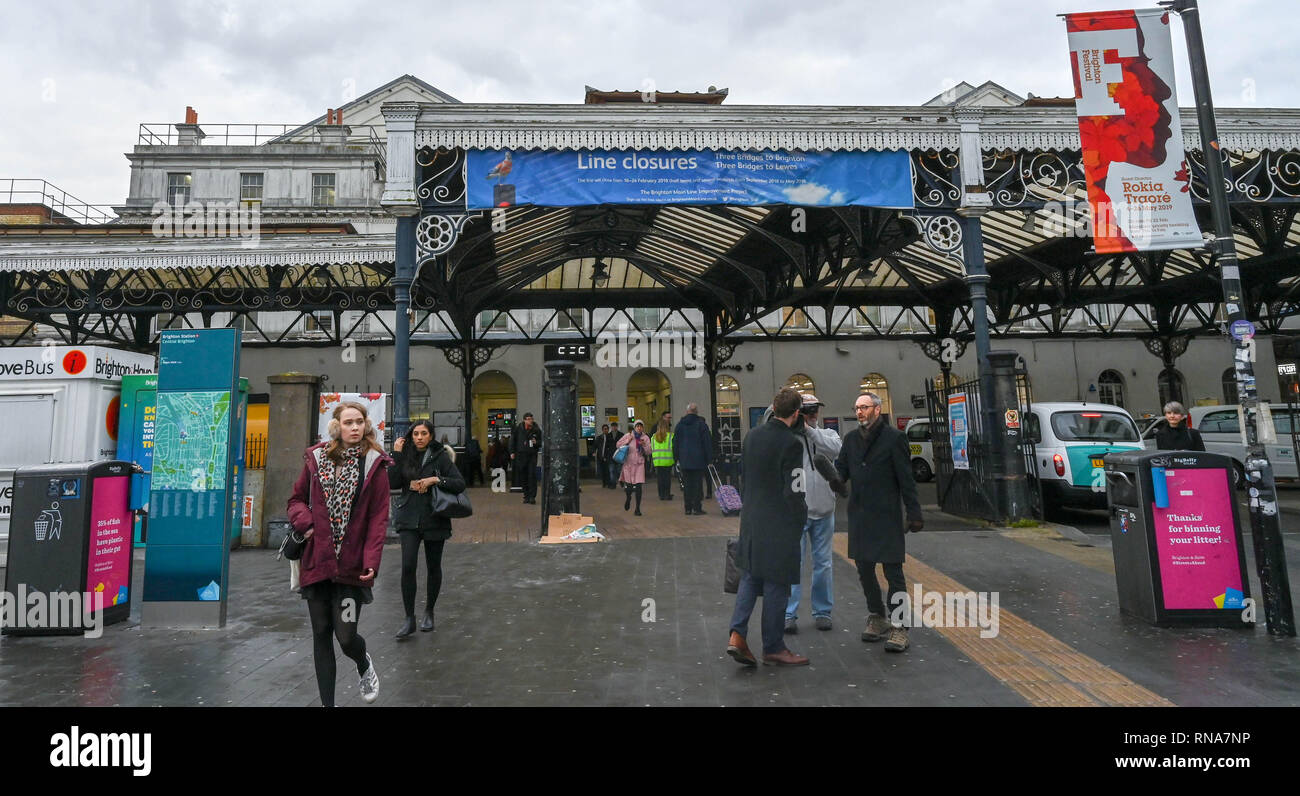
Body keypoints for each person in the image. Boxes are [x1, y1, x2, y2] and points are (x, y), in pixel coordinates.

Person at [287, 401, 392, 706]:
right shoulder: (316, 460)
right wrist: (307, 525)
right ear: (337, 427)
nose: (355, 428)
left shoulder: (374, 466)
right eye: (348, 423)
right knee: (321, 633)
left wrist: (372, 561)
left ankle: (363, 663)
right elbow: (295, 500)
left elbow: (378, 519)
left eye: (359, 422)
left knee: (346, 637)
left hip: (351, 569)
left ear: (366, 425)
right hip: (317, 562)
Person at [726, 388, 810, 667]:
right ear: (796, 413)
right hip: (779, 524)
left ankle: (737, 635)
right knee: (777, 584)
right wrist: (800, 519)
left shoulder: (752, 437)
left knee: (750, 577)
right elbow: (795, 489)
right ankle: (773, 646)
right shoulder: (792, 443)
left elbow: (745, 478)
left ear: (774, 408)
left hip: (751, 520)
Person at [836, 391, 923, 654]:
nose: (859, 412)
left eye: (864, 407)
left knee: (893, 572)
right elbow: (842, 468)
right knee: (864, 569)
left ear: (877, 409)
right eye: (856, 407)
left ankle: (900, 627)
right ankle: (877, 616)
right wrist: (834, 479)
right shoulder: (851, 439)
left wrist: (914, 512)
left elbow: (906, 479)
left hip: (886, 515)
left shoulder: (894, 439)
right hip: (860, 515)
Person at [391, 419, 465, 639]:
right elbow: (392, 483)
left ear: (431, 436)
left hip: (434, 516)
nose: (419, 437)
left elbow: (458, 483)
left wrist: (435, 480)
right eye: (415, 434)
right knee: (407, 566)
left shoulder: (440, 455)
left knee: (433, 566)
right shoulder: (405, 454)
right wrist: (396, 454)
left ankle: (429, 612)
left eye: (424, 433)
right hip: (409, 516)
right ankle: (408, 618)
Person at [784, 393, 843, 634]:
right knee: (793, 564)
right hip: (796, 511)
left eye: (815, 409)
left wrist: (809, 430)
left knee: (824, 564)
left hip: (824, 509)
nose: (812, 414)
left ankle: (822, 611)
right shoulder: (788, 437)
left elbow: (835, 449)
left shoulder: (827, 435)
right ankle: (788, 613)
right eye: (807, 410)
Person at [673, 403, 712, 515]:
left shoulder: (680, 425)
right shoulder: (701, 425)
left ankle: (687, 508)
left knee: (687, 484)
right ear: (697, 412)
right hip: (698, 459)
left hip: (684, 459)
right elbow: (707, 443)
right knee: (697, 484)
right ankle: (697, 507)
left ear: (687, 411)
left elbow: (675, 443)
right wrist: (709, 459)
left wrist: (676, 458)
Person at [615, 420, 653, 515]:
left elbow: (649, 452)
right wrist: (628, 440)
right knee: (629, 488)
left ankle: (637, 509)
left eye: (641, 426)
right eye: (637, 426)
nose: (639, 428)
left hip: (639, 464)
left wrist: (644, 446)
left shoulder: (645, 438)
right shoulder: (628, 435)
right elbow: (618, 445)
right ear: (634, 427)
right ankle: (628, 498)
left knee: (639, 487)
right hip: (628, 464)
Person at [510, 412, 543, 504]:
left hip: (532, 455)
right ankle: (526, 495)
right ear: (524, 420)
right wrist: (512, 452)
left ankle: (532, 496)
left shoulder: (536, 430)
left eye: (531, 419)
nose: (530, 421)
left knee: (532, 475)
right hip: (521, 455)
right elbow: (513, 440)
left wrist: (536, 442)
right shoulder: (518, 429)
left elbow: (542, 441)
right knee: (523, 475)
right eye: (528, 419)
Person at [650, 416, 675, 500]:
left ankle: (661, 495)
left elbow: (652, 449)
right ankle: (667, 494)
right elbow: (674, 448)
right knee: (667, 478)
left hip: (657, 461)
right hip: (668, 460)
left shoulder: (653, 437)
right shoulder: (671, 436)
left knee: (660, 479)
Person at [602, 422, 622, 489]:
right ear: (611, 427)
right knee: (612, 471)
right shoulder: (608, 435)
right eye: (613, 426)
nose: (614, 428)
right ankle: (613, 484)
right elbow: (605, 446)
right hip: (610, 456)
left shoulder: (621, 435)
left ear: (617, 427)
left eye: (615, 426)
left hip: (619, 455)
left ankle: (621, 480)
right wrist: (605, 456)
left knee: (619, 471)